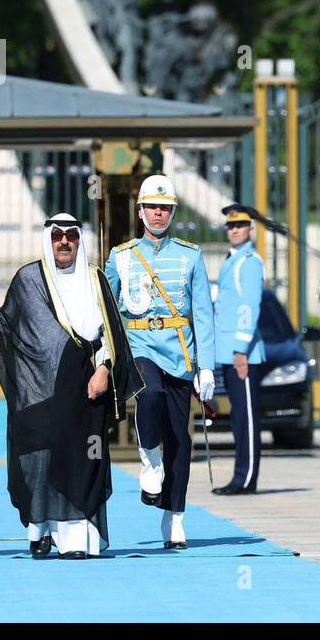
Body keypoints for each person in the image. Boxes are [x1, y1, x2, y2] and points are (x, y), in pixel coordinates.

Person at [0, 214, 143, 559]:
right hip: (39, 390)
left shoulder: (95, 279)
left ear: (80, 240)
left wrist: (105, 369)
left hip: (86, 385)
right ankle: (40, 529)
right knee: (39, 461)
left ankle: (77, 539)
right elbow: (5, 320)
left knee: (84, 458)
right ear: (48, 240)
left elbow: (111, 331)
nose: (64, 242)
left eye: (71, 237)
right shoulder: (29, 278)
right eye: (57, 237)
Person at [104, 175, 216, 550]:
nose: (158, 213)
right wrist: (106, 353)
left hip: (180, 352)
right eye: (152, 206)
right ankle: (149, 458)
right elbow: (107, 308)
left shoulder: (190, 255)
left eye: (164, 208)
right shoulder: (121, 256)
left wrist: (207, 367)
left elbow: (203, 313)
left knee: (180, 438)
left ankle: (175, 515)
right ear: (140, 211)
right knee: (148, 396)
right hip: (140, 346)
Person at [212, 204, 266, 496]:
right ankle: (240, 475)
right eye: (231, 226)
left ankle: (245, 479)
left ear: (250, 230)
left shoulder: (249, 262)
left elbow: (249, 307)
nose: (234, 230)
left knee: (246, 418)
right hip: (229, 351)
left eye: (240, 225)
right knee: (238, 417)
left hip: (240, 353)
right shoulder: (233, 260)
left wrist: (241, 349)